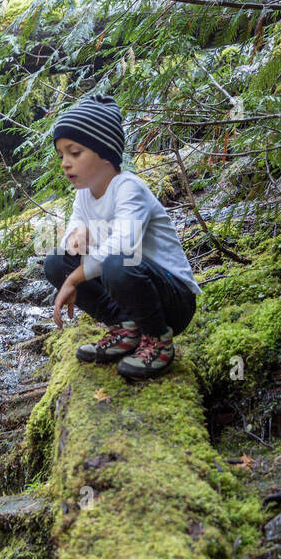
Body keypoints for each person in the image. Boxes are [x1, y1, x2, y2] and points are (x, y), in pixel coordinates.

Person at [43, 92, 202, 379]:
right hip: (132, 292)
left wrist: (74, 279)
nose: (65, 163)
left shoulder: (129, 188)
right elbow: (74, 232)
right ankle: (126, 328)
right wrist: (76, 235)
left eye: (75, 153)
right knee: (57, 261)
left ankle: (158, 340)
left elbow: (124, 245)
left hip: (173, 300)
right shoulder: (83, 194)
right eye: (61, 155)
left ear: (105, 153)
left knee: (119, 261)